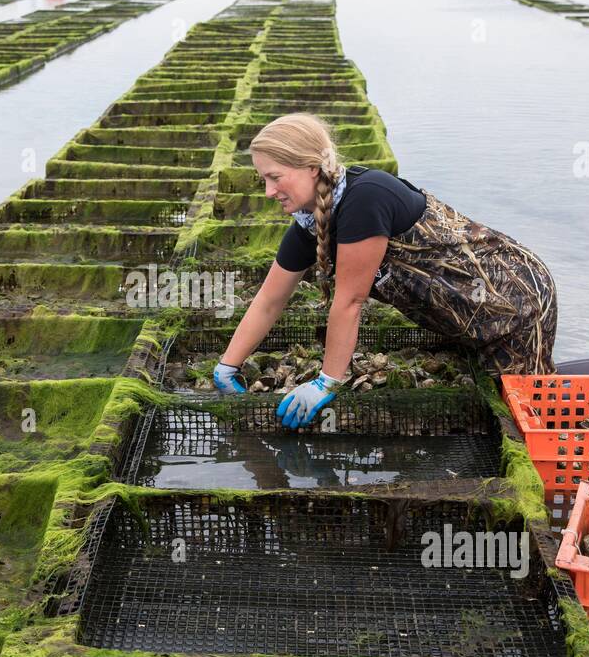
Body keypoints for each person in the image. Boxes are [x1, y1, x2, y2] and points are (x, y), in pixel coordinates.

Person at [212, 113, 558, 428]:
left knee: (527, 418)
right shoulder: (310, 222)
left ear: (311, 167)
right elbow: (269, 301)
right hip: (464, 316)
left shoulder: (366, 199)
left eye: (274, 177)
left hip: (513, 301)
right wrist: (228, 365)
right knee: (497, 408)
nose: (269, 191)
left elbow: (350, 302)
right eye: (263, 180)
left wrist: (326, 382)